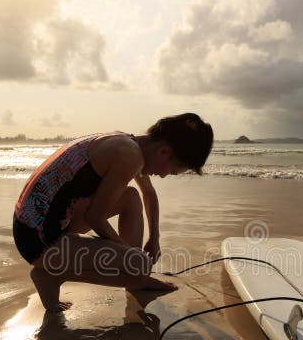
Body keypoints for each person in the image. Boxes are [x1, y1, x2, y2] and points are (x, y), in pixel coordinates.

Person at [12, 113, 213, 312]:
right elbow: (94, 218)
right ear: (164, 152)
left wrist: (154, 237)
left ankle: (135, 277)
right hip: (38, 241)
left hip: (46, 223)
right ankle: (51, 275)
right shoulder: (129, 156)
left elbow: (148, 194)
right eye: (172, 170)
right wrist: (129, 257)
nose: (163, 175)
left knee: (131, 197)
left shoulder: (129, 144)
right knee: (138, 265)